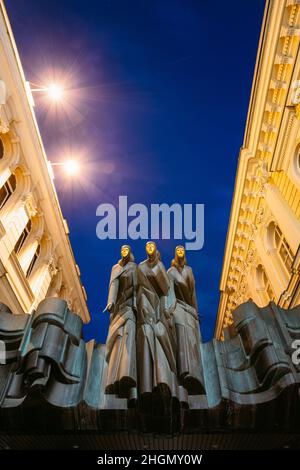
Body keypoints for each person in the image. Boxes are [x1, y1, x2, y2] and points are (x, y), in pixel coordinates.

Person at [137, 241, 178, 411]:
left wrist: (167, 310)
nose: (149, 248)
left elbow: (167, 291)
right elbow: (138, 289)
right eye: (147, 246)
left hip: (160, 308)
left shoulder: (160, 266)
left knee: (160, 334)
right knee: (147, 333)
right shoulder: (140, 267)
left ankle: (165, 378)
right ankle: (147, 383)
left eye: (152, 246)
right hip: (146, 305)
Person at [168, 245, 205, 394]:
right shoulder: (170, 272)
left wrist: (195, 311)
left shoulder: (189, 270)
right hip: (177, 308)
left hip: (189, 309)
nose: (180, 252)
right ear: (175, 254)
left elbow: (193, 292)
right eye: (178, 250)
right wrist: (170, 309)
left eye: (182, 250)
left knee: (192, 339)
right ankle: (183, 373)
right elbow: (169, 292)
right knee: (182, 337)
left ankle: (195, 373)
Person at [104, 245, 137, 398]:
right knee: (117, 338)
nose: (124, 252)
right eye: (122, 250)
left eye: (126, 250)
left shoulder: (134, 267)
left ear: (129, 253)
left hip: (130, 308)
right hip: (117, 309)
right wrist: (110, 302)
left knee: (129, 336)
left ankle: (127, 373)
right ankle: (112, 378)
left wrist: (136, 305)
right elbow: (113, 285)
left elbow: (138, 288)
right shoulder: (115, 268)